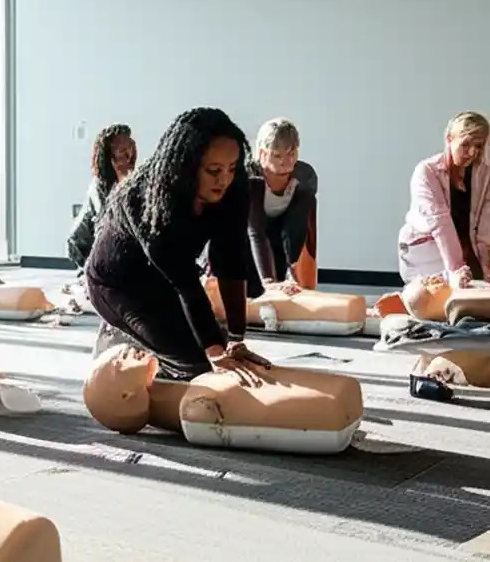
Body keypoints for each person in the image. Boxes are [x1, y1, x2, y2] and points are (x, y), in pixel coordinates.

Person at [85, 107, 272, 383]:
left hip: (163, 282)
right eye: (213, 170)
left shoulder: (234, 186)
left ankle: (153, 342)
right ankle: (121, 337)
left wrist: (235, 339)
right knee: (200, 367)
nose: (224, 179)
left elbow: (230, 258)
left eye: (231, 168)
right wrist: (215, 351)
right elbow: (186, 282)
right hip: (117, 287)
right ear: (185, 166)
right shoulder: (145, 200)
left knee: (215, 350)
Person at [398, 111, 490, 286]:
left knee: (482, 288)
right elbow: (440, 223)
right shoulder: (426, 171)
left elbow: (487, 222)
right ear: (449, 140)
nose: (472, 152)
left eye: (479, 146)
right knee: (437, 296)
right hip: (428, 250)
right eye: (465, 145)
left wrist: (488, 267)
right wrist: (456, 270)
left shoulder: (485, 172)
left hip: (465, 249)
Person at [246, 118, 317, 289]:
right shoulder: (250, 177)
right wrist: (268, 281)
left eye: (291, 153)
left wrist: (297, 275)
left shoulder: (304, 176)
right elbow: (255, 231)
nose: (286, 161)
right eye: (277, 155)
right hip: (244, 240)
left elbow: (296, 229)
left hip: (277, 238)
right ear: (262, 154)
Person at [66, 124, 136, 268]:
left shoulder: (135, 179)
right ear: (110, 158)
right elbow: (109, 225)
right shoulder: (100, 186)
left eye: (131, 148)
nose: (129, 156)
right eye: (122, 152)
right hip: (91, 251)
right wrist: (123, 181)